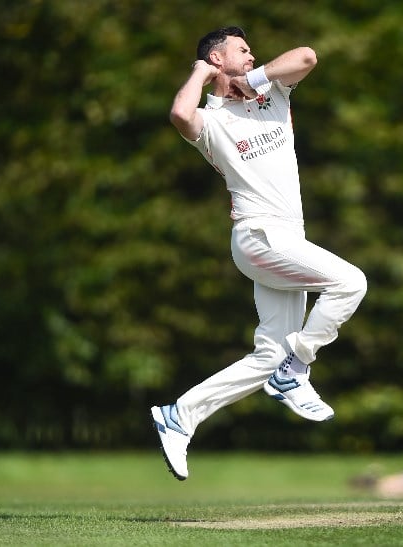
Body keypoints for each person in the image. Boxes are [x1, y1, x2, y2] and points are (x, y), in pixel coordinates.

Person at [150, 27, 367, 481]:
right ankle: (298, 367)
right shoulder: (210, 122)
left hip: (287, 240)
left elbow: (307, 56)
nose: (251, 56)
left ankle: (179, 415)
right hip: (260, 236)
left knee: (269, 355)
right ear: (216, 58)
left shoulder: (273, 93)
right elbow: (179, 113)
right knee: (351, 282)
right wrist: (200, 73)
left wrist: (254, 79)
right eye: (242, 50)